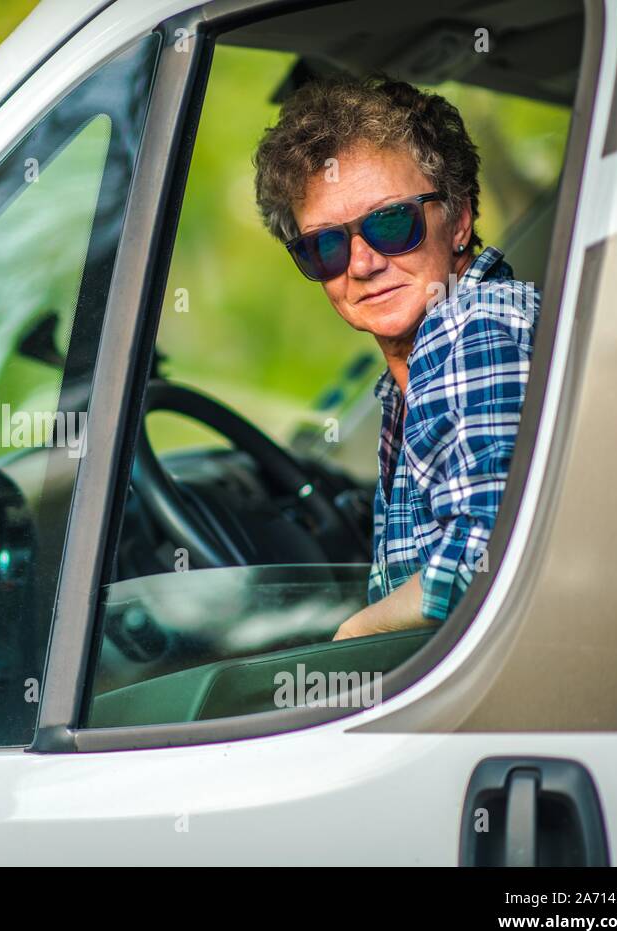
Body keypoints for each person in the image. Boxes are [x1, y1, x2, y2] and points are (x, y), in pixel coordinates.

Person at [252, 75, 539, 640]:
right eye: (325, 245)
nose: (361, 264)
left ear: (458, 219)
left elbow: (491, 557)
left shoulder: (473, 323)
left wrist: (350, 638)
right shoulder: (414, 372)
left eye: (389, 223)